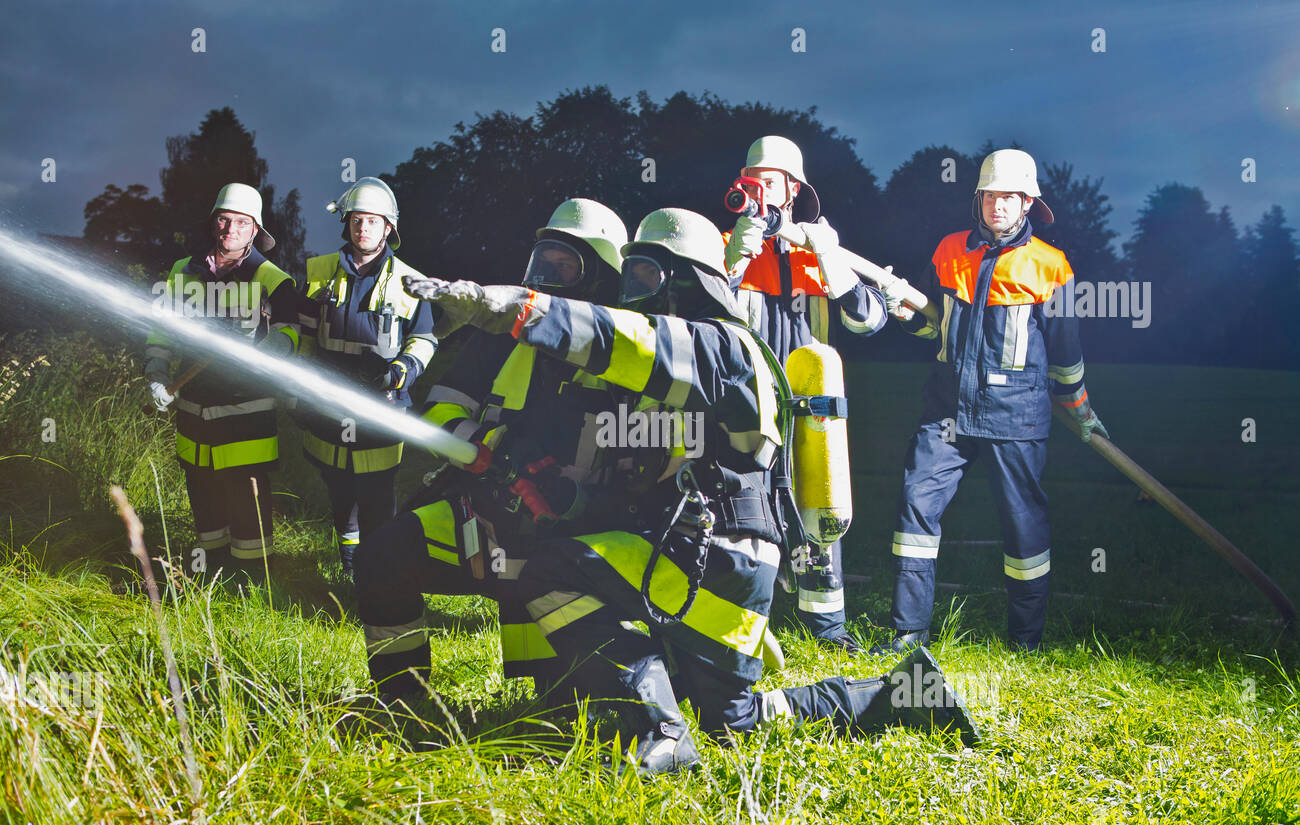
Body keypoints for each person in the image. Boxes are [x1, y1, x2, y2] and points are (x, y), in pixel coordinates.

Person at [404, 208, 978, 775]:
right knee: (734, 720)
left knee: (551, 572)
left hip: (713, 556)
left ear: (688, 281)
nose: (633, 294)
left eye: (647, 277)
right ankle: (904, 693)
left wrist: (508, 307)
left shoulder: (721, 349)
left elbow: (614, 338)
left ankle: (661, 730)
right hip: (715, 563)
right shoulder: (669, 372)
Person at [352, 198, 631, 701]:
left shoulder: (627, 353)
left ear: (600, 278)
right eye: (542, 260)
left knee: (562, 703)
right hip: (486, 514)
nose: (545, 276)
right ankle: (403, 705)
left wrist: (576, 487)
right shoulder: (501, 335)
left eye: (564, 266)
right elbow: (437, 413)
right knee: (381, 556)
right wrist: (490, 446)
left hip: (577, 536)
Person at [883, 149, 1107, 654]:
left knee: (1023, 528)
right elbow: (929, 324)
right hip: (945, 414)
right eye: (990, 194)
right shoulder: (947, 251)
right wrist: (903, 310)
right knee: (916, 509)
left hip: (1018, 417)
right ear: (978, 199)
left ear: (1028, 202)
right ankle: (906, 636)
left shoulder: (1052, 267)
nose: (997, 204)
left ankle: (1024, 643)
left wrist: (1082, 411)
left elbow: (1066, 358)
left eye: (1009, 196)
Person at [724, 135, 898, 652]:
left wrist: (834, 266)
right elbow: (693, 317)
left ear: (794, 188)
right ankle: (744, 620)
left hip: (813, 403)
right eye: (753, 177)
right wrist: (732, 262)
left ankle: (827, 629)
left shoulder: (820, 249)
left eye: (771, 180)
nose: (760, 188)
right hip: (748, 398)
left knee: (819, 508)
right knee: (746, 506)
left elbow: (868, 322)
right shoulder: (726, 241)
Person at [145, 183, 299, 584]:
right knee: (202, 487)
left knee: (246, 493)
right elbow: (161, 331)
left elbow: (293, 329)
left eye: (242, 222)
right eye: (225, 219)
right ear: (214, 222)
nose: (231, 228)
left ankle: (251, 586)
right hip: (193, 405)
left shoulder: (272, 278)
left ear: (254, 230)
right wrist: (156, 374)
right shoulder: (182, 271)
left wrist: (277, 347)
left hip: (247, 408)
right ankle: (210, 576)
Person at [295, 177, 437, 576]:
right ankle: (350, 566)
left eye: (372, 222)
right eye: (357, 220)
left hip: (381, 406)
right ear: (347, 223)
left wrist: (402, 371)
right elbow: (305, 334)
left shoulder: (411, 281)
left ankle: (379, 574)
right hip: (329, 404)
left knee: (376, 494)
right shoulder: (318, 271)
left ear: (388, 227)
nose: (363, 229)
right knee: (340, 491)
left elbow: (424, 339)